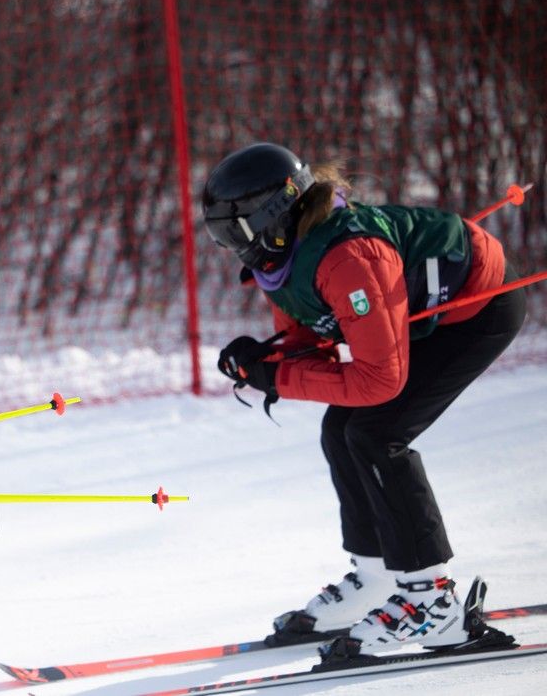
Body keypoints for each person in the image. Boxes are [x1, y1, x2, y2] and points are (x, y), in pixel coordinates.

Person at [201, 142, 526, 657]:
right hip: (413, 321)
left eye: (234, 232)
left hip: (480, 308)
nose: (231, 246)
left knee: (377, 434)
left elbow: (380, 380)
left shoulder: (349, 257)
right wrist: (268, 357)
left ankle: (431, 602)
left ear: (272, 215)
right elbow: (319, 340)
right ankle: (377, 576)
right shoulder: (282, 258)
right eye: (221, 235)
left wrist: (278, 378)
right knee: (342, 429)